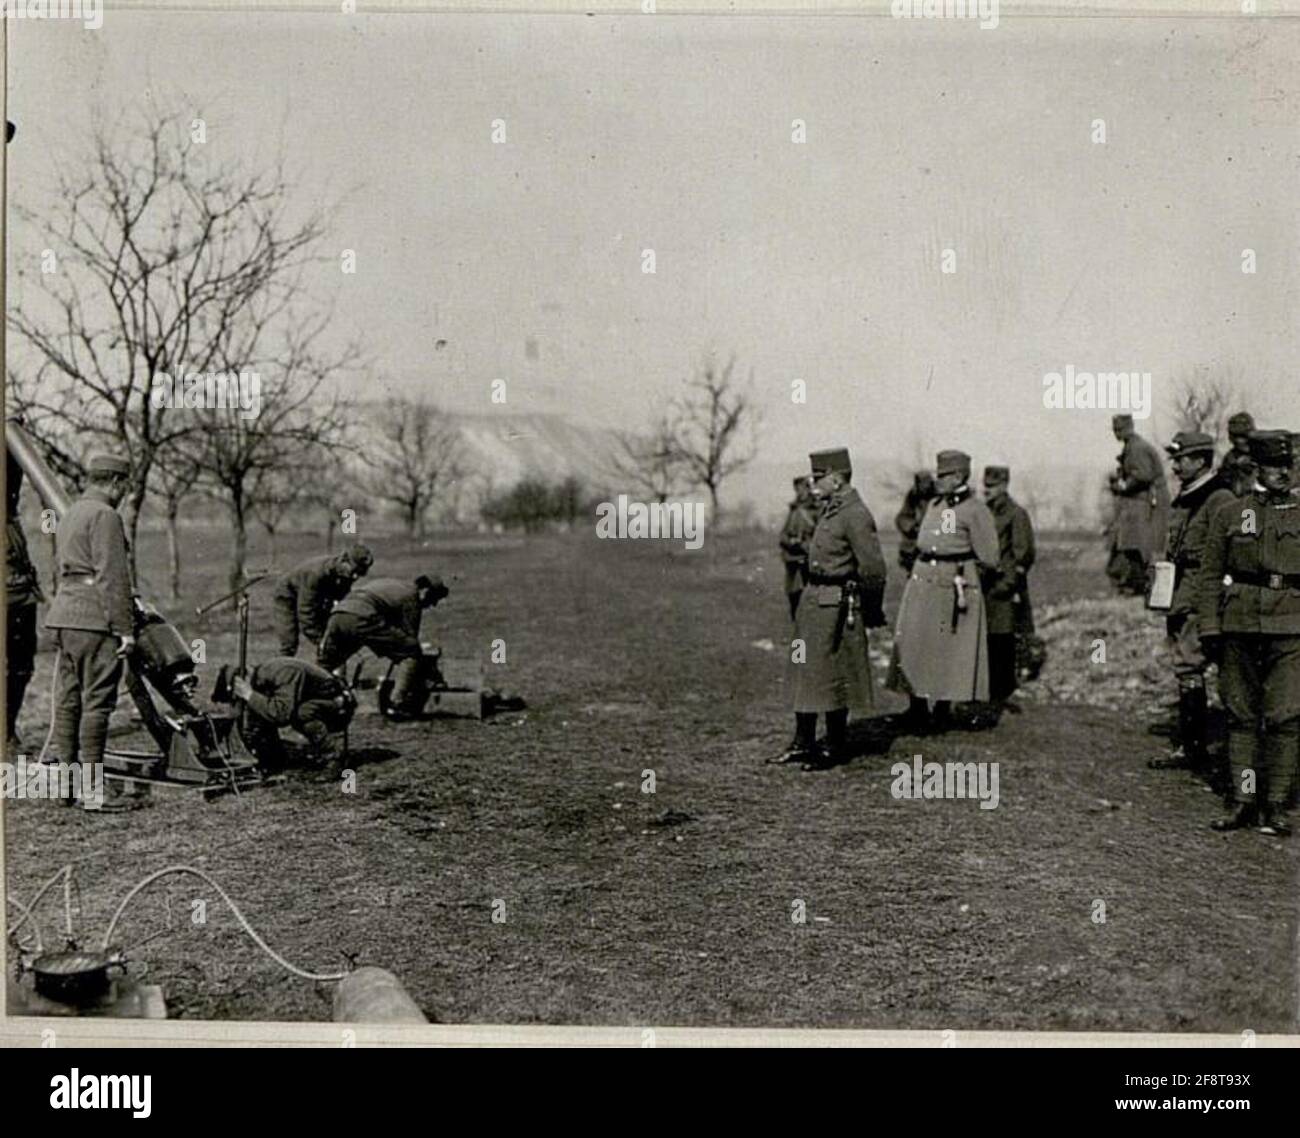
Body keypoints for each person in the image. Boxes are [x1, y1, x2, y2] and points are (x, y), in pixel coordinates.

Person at [1197, 430, 1300, 836]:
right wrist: (1209, 626)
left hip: (1291, 625)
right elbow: (1208, 576)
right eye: (1274, 467)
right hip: (1238, 624)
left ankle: (1275, 806)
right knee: (1240, 716)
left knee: (1286, 717)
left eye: (1287, 466)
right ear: (1256, 468)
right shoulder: (1231, 513)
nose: (1283, 473)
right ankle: (1243, 801)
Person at [773, 447, 886, 771]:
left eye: (819, 478)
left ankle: (835, 744)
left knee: (833, 673)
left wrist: (872, 609)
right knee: (805, 667)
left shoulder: (855, 514)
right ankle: (803, 741)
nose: (813, 484)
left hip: (836, 603)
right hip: (813, 597)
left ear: (836, 479)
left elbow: (873, 569)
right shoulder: (832, 508)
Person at [42, 453, 137, 812]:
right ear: (115, 482)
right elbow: (112, 575)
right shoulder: (106, 515)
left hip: (65, 616)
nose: (125, 492)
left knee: (69, 702)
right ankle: (94, 794)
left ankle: (66, 788)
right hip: (94, 619)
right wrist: (125, 629)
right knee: (97, 702)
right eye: (124, 485)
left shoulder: (70, 514)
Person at [887, 449, 1000, 729]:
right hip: (923, 580)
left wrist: (964, 575)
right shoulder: (935, 505)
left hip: (951, 584)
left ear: (960, 476)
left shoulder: (975, 510)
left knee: (945, 649)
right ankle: (916, 707)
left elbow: (990, 557)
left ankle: (941, 709)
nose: (938, 480)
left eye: (944, 475)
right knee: (914, 643)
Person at [1147, 431, 1235, 777]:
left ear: (1200, 461)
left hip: (1203, 598)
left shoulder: (1219, 499)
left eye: (1181, 458)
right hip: (1182, 596)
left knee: (1195, 666)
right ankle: (1193, 747)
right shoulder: (1187, 497)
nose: (1175, 465)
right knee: (1186, 668)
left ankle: (1202, 749)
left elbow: (1228, 551)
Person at [318, 574, 450, 719]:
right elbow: (410, 640)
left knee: (327, 664)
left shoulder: (394, 584)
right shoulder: (411, 597)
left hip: (338, 615)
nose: (430, 605)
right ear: (425, 591)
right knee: (411, 653)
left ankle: (316, 701)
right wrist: (432, 673)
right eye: (432, 599)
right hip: (363, 617)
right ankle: (396, 704)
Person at [231, 657, 355, 776]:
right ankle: (277, 757)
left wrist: (249, 695)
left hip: (339, 707)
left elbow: (281, 714)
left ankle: (334, 757)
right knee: (261, 709)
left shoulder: (283, 672)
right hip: (320, 704)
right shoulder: (264, 676)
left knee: (302, 713)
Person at [981, 465, 1036, 712]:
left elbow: (1023, 554)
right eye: (985, 485)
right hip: (986, 587)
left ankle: (1000, 695)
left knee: (1003, 641)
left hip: (1004, 590)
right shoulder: (983, 513)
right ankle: (987, 691)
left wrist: (1007, 584)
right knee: (988, 640)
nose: (986, 490)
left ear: (1004, 486)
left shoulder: (1016, 514)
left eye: (991, 486)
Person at [1106, 413, 1170, 595]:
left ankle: (1140, 585)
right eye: (1115, 430)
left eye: (1119, 429)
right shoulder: (1133, 446)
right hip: (1143, 499)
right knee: (1132, 542)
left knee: (1139, 543)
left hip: (1148, 500)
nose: (1116, 433)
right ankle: (1136, 583)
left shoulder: (1136, 448)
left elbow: (1142, 474)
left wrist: (1123, 485)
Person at [271, 543, 373, 658]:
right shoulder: (315, 574)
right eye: (354, 571)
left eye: (360, 574)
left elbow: (341, 602)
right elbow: (306, 615)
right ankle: (281, 671)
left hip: (317, 596)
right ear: (343, 560)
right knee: (289, 642)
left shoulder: (345, 574)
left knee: (330, 637)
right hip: (287, 595)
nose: (355, 577)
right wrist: (321, 641)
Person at [6, 454, 45, 752]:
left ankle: (7, 730)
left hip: (22, 599)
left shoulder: (10, 516)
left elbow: (12, 475)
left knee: (22, 667)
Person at [778, 476, 819, 620]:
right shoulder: (794, 509)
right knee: (793, 597)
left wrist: (803, 545)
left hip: (808, 560)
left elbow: (821, 538)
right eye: (797, 489)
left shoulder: (816, 510)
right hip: (792, 560)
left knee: (809, 600)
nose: (800, 492)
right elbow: (783, 535)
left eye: (803, 488)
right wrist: (790, 542)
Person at [894, 470, 936, 573]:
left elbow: (949, 527)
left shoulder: (939, 496)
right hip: (914, 547)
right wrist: (912, 527)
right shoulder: (913, 495)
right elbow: (902, 518)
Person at [1220, 411, 1257, 498]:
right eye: (1235, 436)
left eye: (1242, 436)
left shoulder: (1262, 453)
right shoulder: (1229, 458)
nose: (1239, 441)